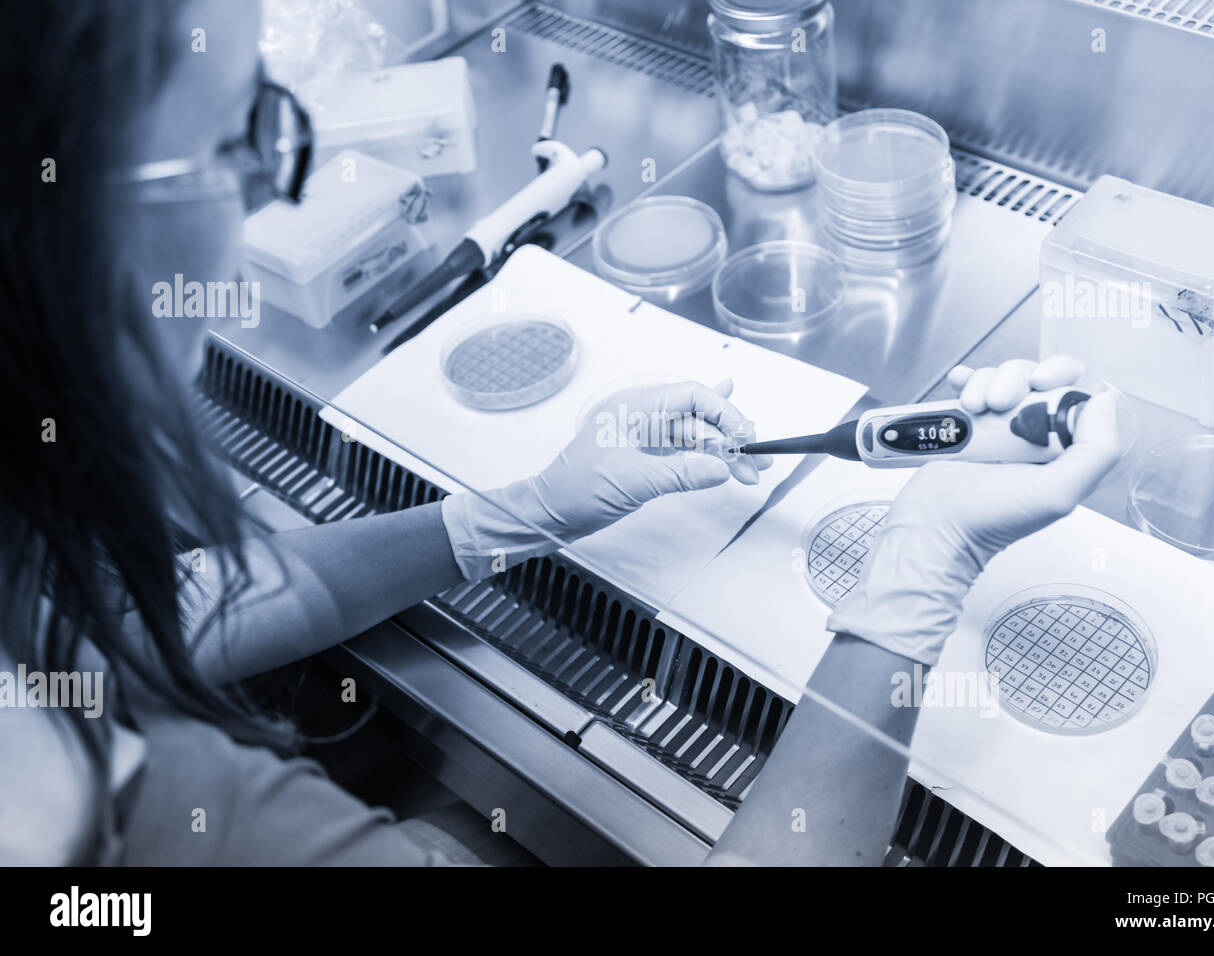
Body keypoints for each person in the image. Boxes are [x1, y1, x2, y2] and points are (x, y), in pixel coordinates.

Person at [0, 0, 1123, 866]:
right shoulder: (174, 820)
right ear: (56, 220)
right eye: (242, 133)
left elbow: (127, 631)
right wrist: (901, 603)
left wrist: (502, 515)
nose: (259, 195)